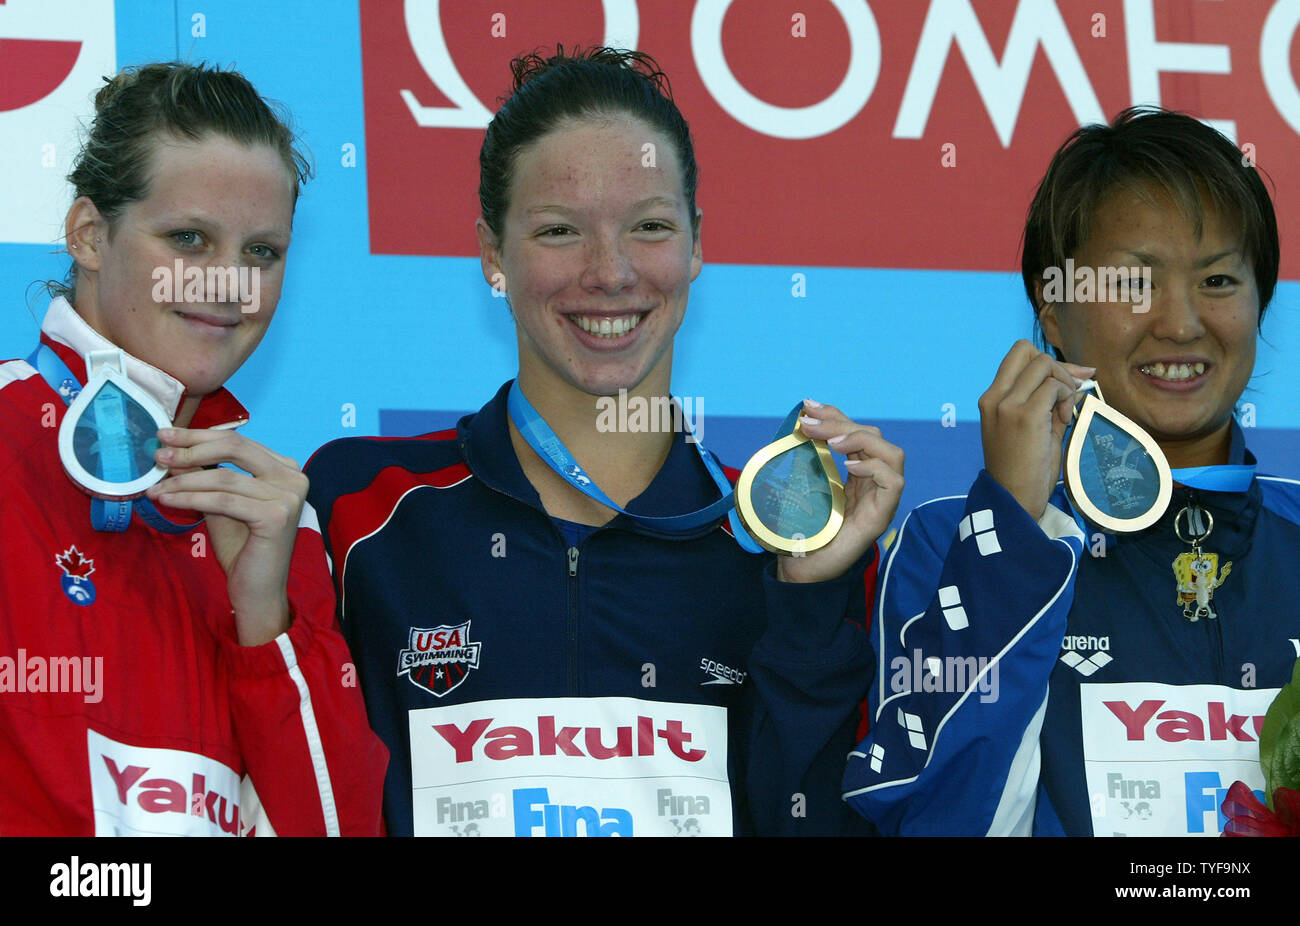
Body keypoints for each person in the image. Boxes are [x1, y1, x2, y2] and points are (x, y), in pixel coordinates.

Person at [305, 46, 903, 836]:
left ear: (695, 245)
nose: (610, 272)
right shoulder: (360, 508)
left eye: (649, 226)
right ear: (492, 254)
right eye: (559, 230)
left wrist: (813, 603)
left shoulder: (785, 550)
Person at [843, 107, 1300, 836]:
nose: (1181, 323)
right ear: (1052, 314)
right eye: (1131, 284)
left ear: (1260, 301)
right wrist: (1013, 538)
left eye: (1217, 280)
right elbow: (936, 820)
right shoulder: (950, 543)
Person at [0, 62, 387, 836]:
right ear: (88, 235)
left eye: (261, 253)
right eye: (188, 238)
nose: (228, 287)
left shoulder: (275, 513)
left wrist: (265, 626)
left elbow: (337, 827)